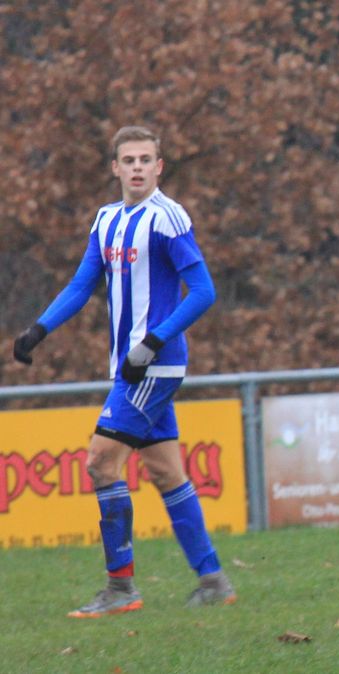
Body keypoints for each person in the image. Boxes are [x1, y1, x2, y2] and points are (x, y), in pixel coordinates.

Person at [12, 126, 235, 617]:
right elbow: (81, 285)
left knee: (98, 462)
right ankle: (214, 579)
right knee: (164, 470)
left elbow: (203, 292)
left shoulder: (168, 219)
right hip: (128, 367)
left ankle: (120, 588)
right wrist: (38, 330)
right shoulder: (107, 219)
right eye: (128, 159)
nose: (136, 167)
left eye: (146, 159)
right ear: (115, 168)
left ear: (160, 166)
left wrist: (152, 342)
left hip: (154, 366)